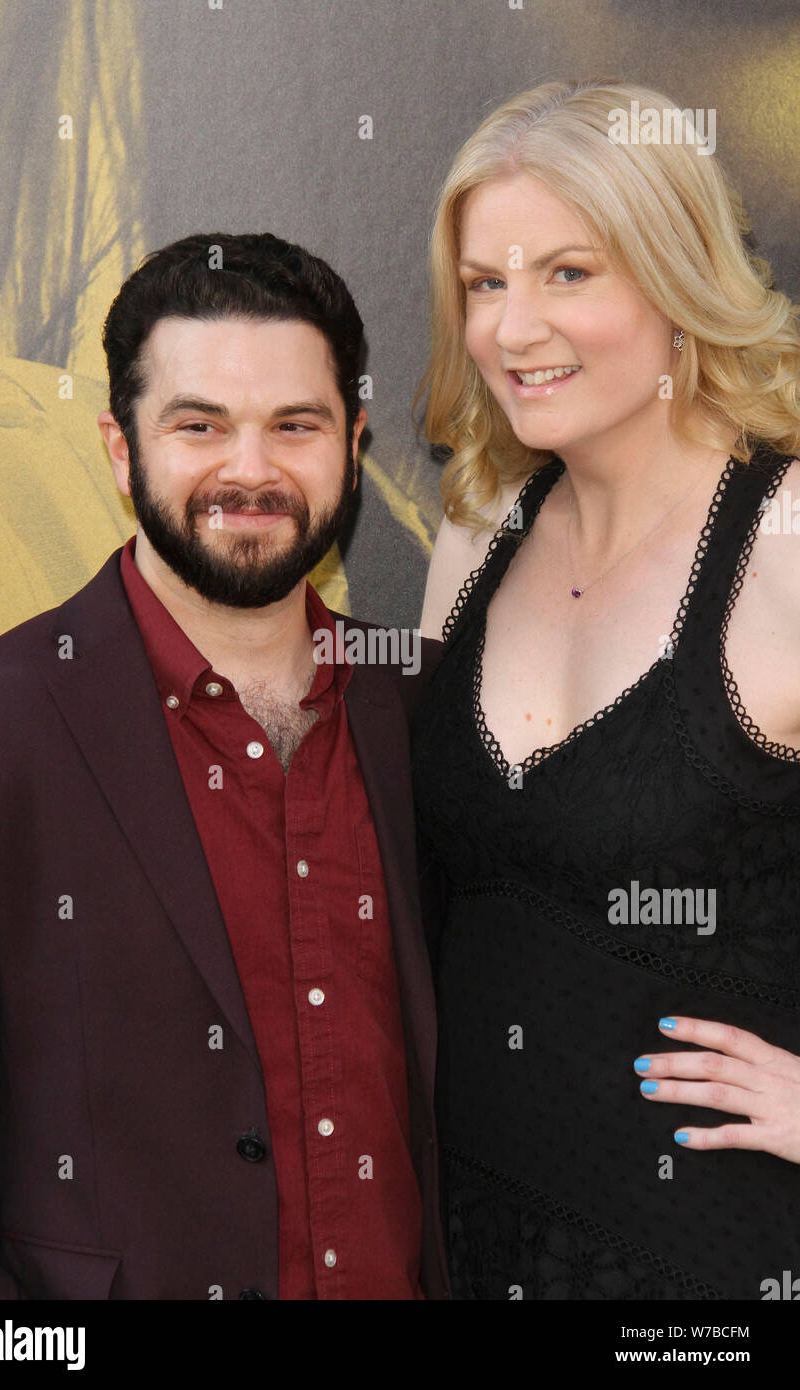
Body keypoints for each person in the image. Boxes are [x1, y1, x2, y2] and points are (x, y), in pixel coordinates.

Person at [0, 232, 450, 1301]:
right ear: (121, 454)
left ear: (352, 446)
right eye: (198, 426)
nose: (249, 470)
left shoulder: (423, 705)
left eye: (294, 426)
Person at [411, 79, 800, 1300]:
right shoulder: (476, 532)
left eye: (568, 273)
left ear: (676, 281)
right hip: (472, 1235)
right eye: (485, 284)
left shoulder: (786, 541)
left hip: (715, 1268)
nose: (513, 328)